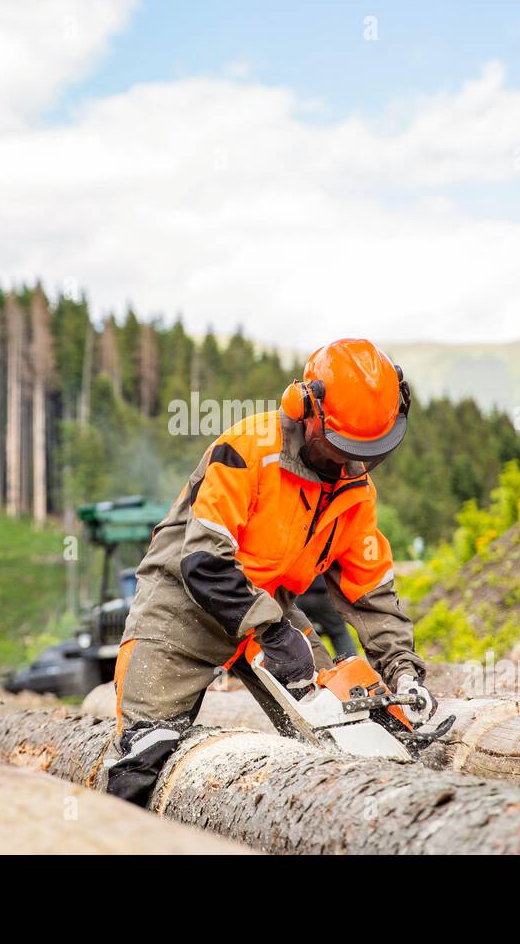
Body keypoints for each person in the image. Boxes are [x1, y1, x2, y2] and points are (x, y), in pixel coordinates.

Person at [107, 339, 438, 806]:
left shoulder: (355, 489)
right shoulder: (247, 450)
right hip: (183, 605)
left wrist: (403, 672)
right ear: (305, 410)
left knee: (351, 726)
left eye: (366, 450)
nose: (351, 461)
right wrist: (273, 631)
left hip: (272, 609)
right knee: (142, 762)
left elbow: (372, 592)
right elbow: (203, 561)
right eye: (341, 447)